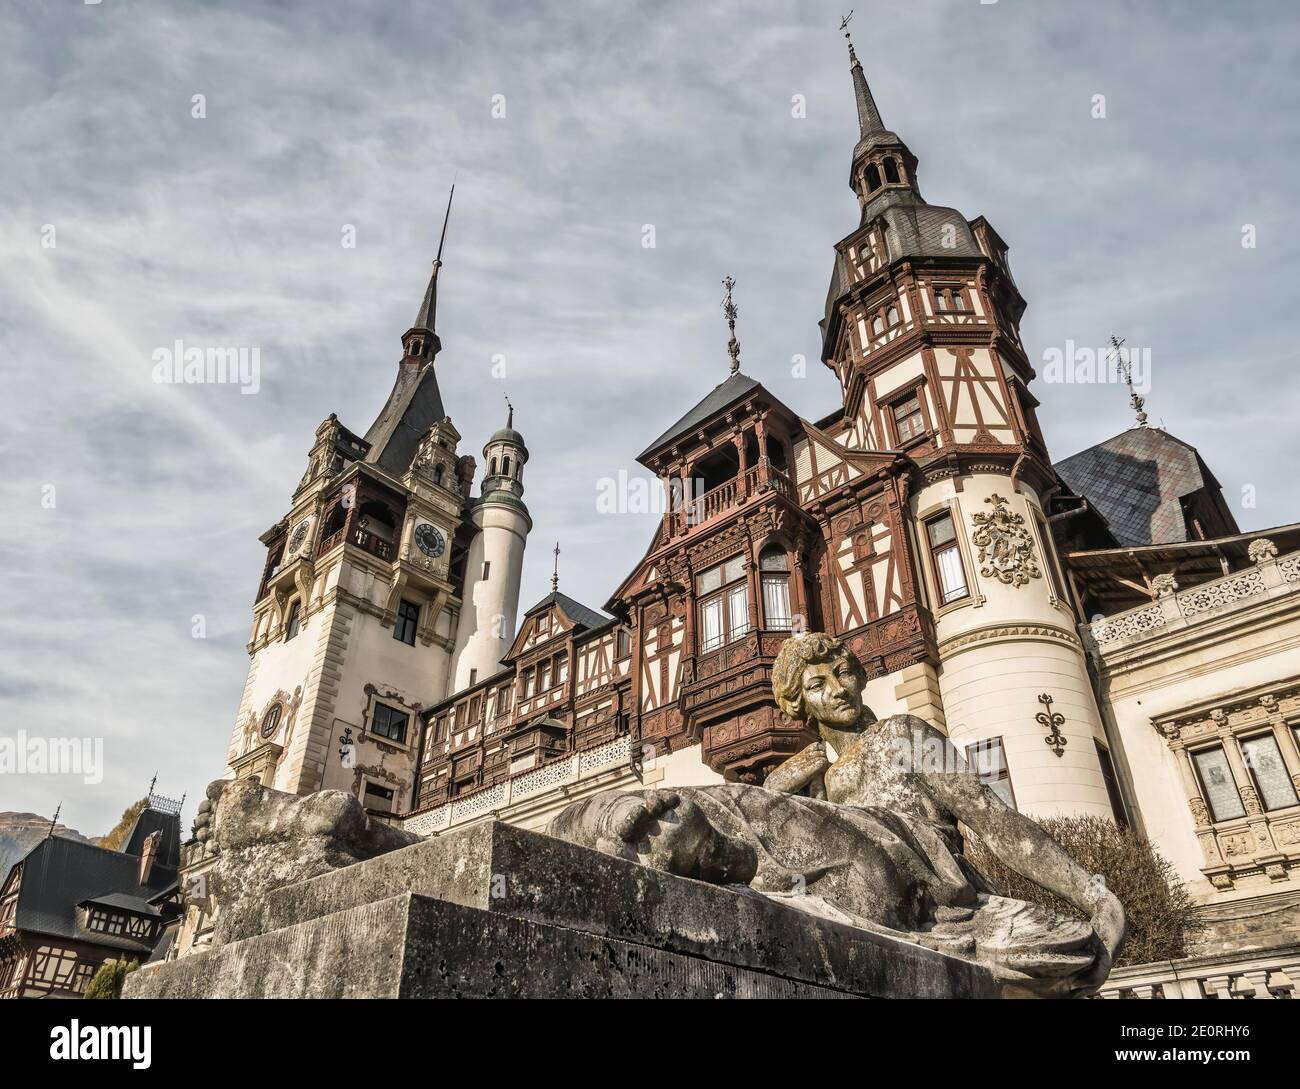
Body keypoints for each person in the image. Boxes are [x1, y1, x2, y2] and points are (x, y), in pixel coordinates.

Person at [547, 632, 1125, 997]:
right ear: (799, 704)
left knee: (732, 806)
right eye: (817, 684)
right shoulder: (806, 780)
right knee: (746, 848)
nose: (838, 689)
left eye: (843, 672)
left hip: (928, 883)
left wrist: (1091, 891)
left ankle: (604, 830)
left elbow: (995, 821)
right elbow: (783, 846)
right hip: (855, 892)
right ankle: (599, 835)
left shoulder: (903, 733)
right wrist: (790, 781)